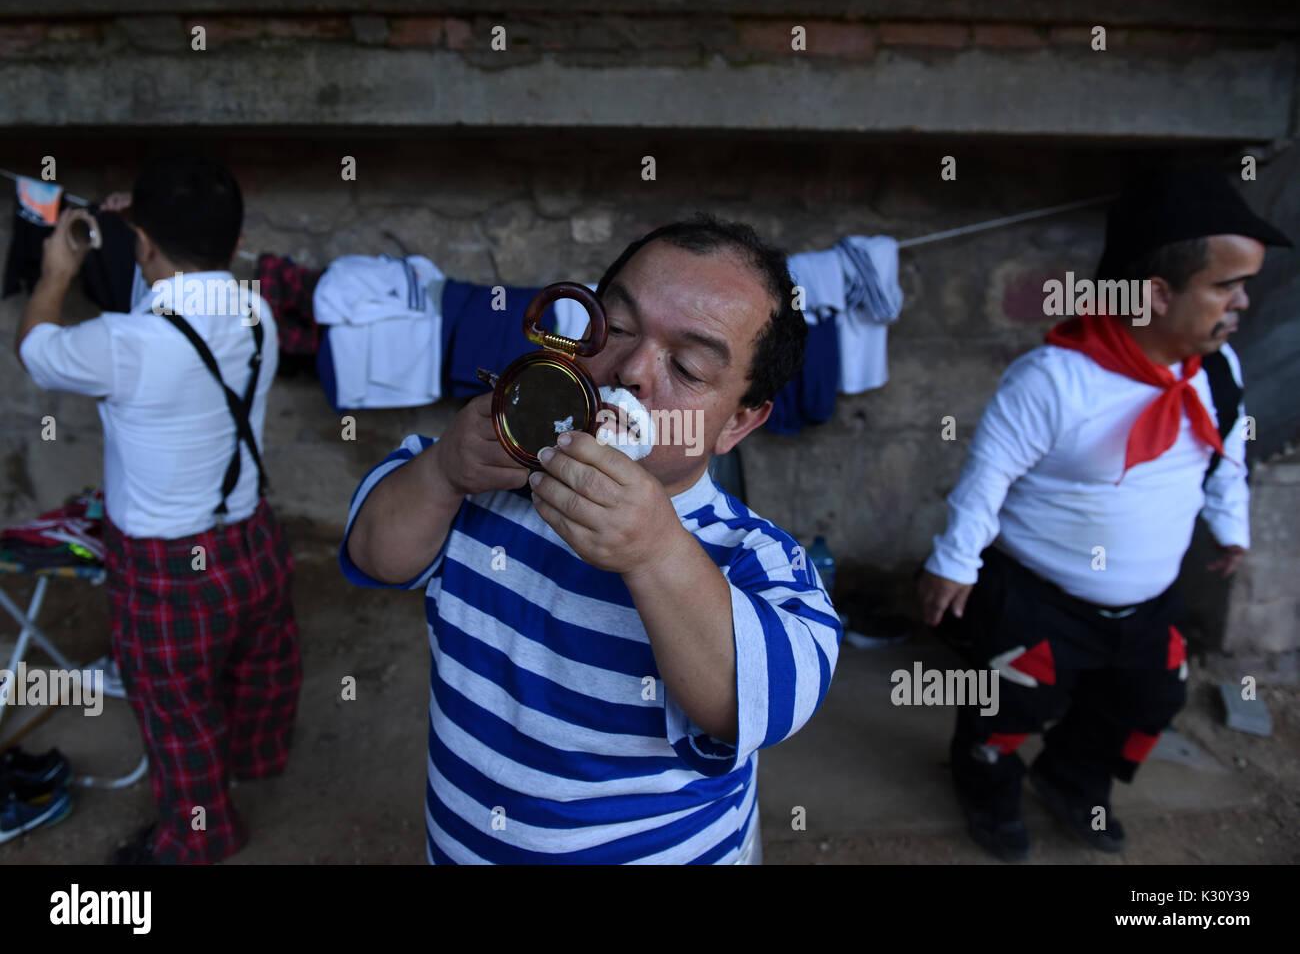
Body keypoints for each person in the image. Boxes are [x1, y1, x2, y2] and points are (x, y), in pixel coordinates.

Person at [341, 213, 841, 863]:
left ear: (739, 422)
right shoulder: (483, 479)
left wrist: (655, 548)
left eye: (687, 367)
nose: (632, 369)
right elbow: (371, 554)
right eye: (620, 327)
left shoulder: (757, 560)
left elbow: (758, 703)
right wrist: (441, 469)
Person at [917, 168, 1292, 862]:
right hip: (1038, 599)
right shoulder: (1058, 380)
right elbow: (988, 473)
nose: (1243, 301)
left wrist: (1230, 524)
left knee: (1151, 697)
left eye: (1245, 284)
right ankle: (988, 788)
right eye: (1225, 285)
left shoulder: (1218, 370)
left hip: (1150, 599)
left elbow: (1228, 450)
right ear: (1156, 293)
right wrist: (954, 561)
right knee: (1006, 708)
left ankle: (1074, 776)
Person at [15, 154, 301, 864]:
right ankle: (255, 758)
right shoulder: (256, 308)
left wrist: (58, 268)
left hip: (166, 571)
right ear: (235, 243)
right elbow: (179, 310)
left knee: (177, 710)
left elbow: (36, 349)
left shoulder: (121, 344)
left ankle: (200, 837)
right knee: (259, 664)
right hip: (252, 541)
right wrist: (144, 237)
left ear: (141, 240)